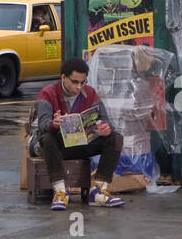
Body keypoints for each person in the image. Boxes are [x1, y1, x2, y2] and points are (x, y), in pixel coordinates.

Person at [33, 57, 125, 209]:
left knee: (115, 138)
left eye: (83, 82)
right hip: (59, 148)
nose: (79, 87)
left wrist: (105, 128)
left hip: (83, 143)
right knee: (46, 138)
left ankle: (99, 190)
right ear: (63, 77)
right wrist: (54, 124)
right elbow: (43, 125)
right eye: (75, 82)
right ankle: (60, 191)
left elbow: (106, 120)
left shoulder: (90, 93)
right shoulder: (47, 93)